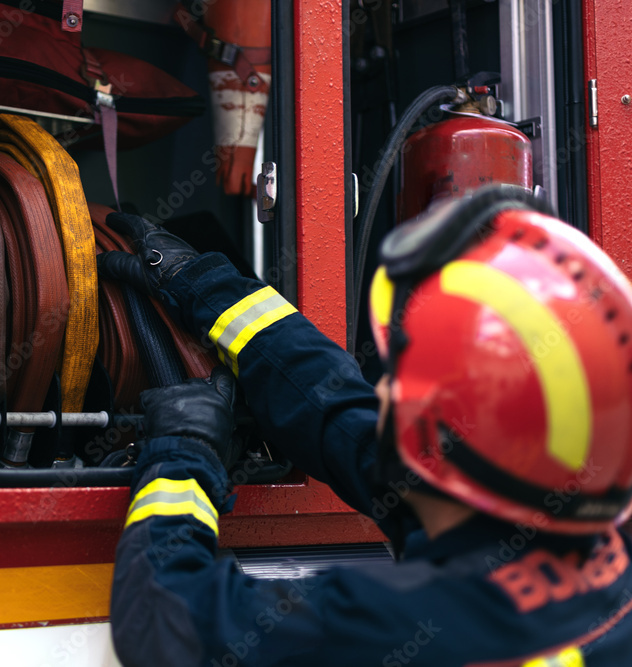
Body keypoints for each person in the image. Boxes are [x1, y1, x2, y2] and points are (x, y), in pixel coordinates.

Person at [98, 186, 632, 666]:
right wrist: (207, 287)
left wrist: (182, 453)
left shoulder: (393, 623)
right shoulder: (599, 551)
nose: (382, 392)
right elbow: (343, 420)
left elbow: (164, 619)